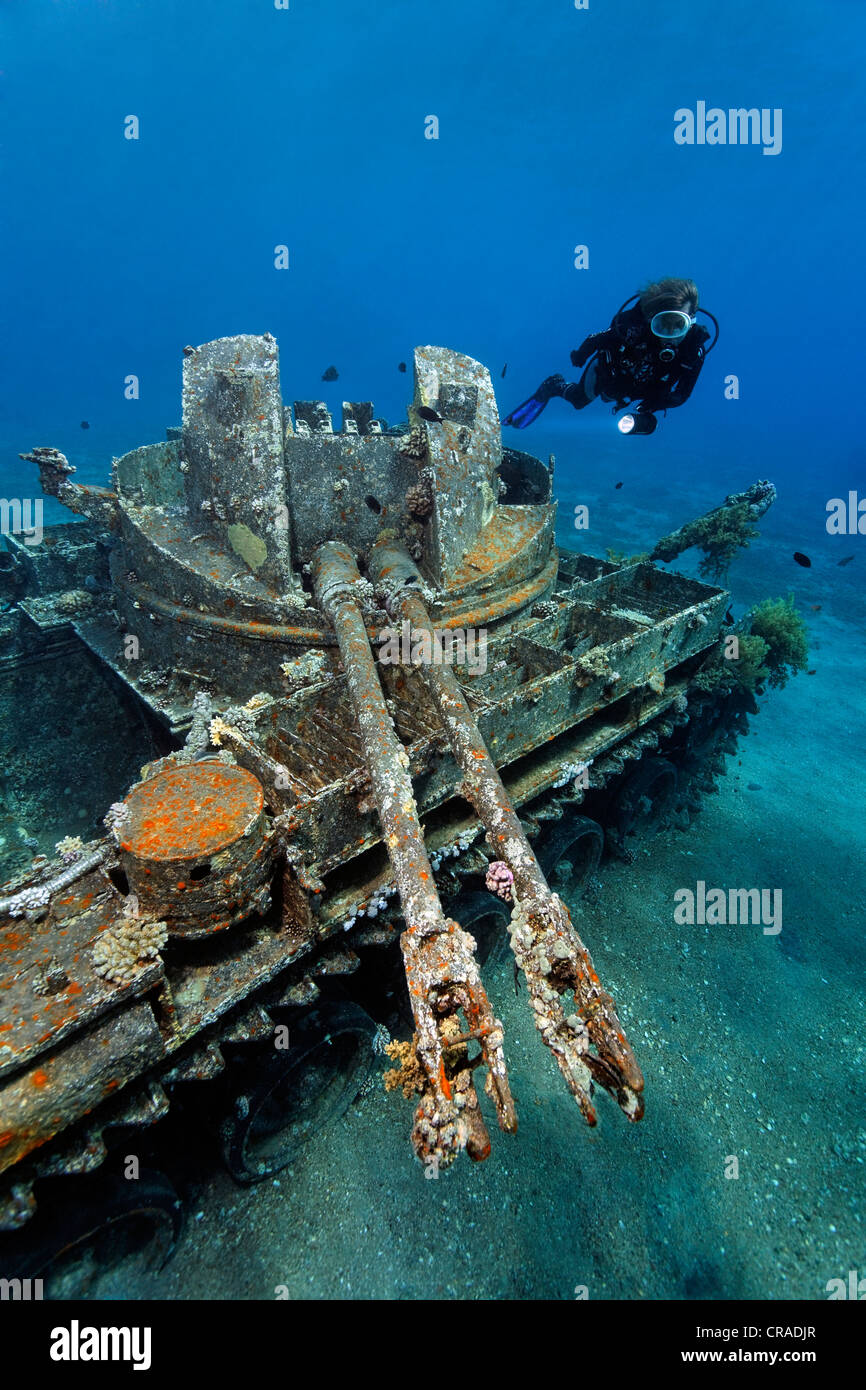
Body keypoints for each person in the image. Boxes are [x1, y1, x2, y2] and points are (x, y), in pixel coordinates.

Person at [504, 278, 717, 434]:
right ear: (652, 319)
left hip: (641, 391)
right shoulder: (632, 327)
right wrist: (580, 354)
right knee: (579, 400)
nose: (670, 336)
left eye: (678, 326)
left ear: (691, 321)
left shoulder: (693, 350)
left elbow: (682, 394)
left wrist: (652, 406)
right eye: (662, 325)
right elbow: (597, 339)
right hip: (608, 373)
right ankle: (554, 385)